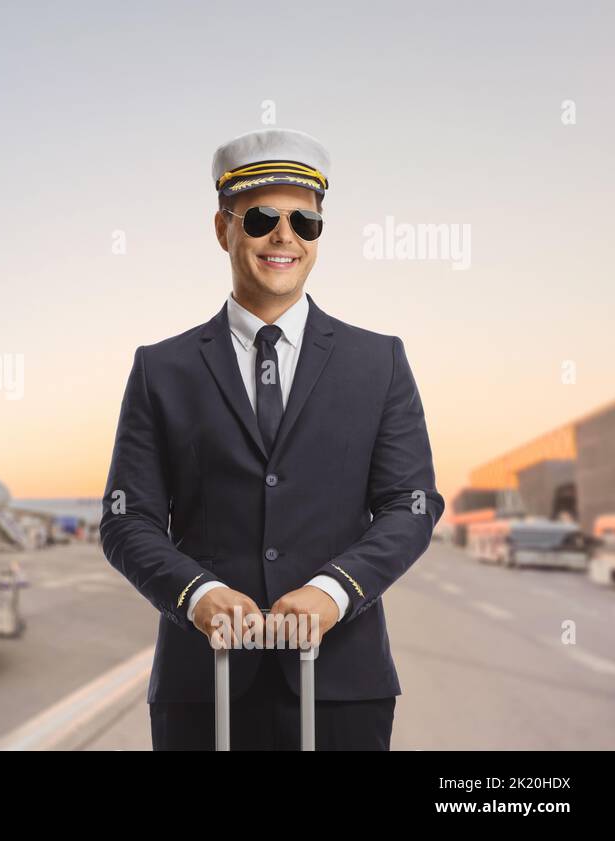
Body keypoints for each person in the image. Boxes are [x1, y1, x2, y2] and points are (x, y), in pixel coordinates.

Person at [99, 128, 444, 750]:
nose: (284, 237)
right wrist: (196, 593)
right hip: (202, 687)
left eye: (304, 223)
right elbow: (128, 521)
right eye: (261, 218)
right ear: (222, 228)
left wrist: (334, 591)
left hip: (341, 684)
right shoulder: (161, 368)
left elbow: (411, 504)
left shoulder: (379, 361)